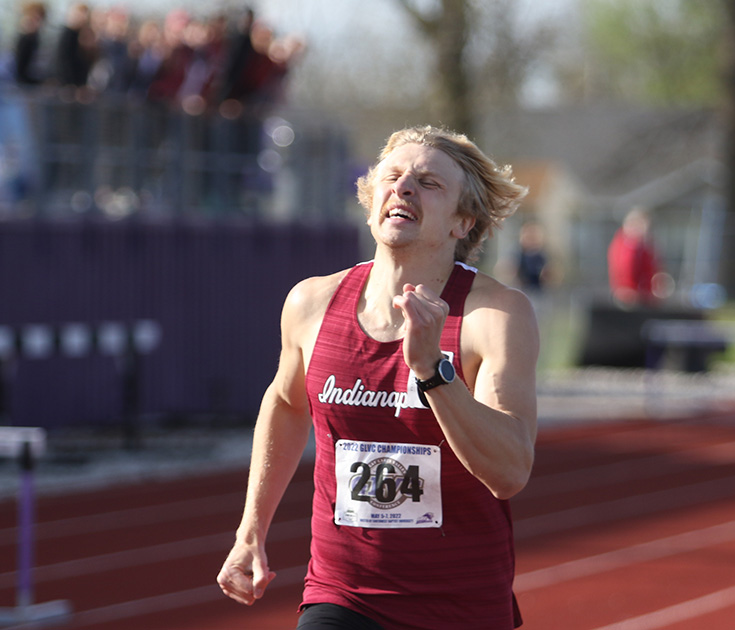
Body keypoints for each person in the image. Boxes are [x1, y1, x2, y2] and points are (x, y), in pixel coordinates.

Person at [217, 126, 537, 630]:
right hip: (343, 595)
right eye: (392, 176)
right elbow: (284, 403)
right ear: (371, 203)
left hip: (461, 603)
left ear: (463, 221)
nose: (404, 187)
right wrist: (250, 531)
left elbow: (509, 472)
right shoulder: (312, 303)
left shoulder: (493, 316)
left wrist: (433, 371)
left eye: (429, 183)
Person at [607, 206, 662, 307]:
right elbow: (624, 268)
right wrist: (628, 288)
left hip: (642, 295)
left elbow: (650, 269)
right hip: (630, 296)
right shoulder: (627, 245)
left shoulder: (641, 246)